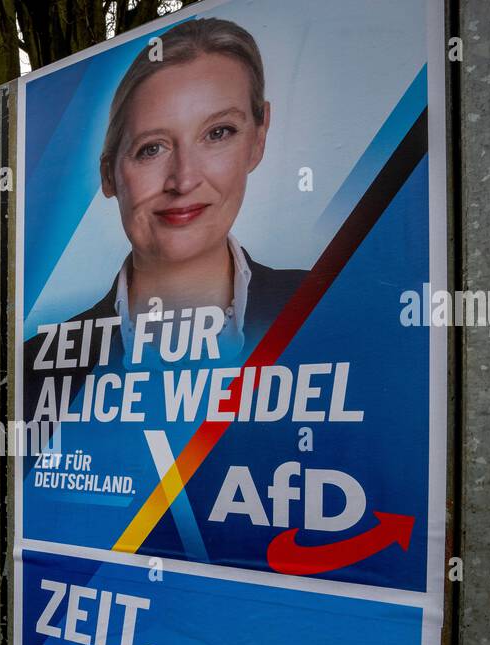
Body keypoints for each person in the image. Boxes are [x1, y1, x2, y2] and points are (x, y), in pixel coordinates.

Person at [24, 17, 305, 421]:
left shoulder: (330, 311)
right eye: (151, 148)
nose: (184, 179)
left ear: (258, 140)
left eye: (218, 133)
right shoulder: (38, 369)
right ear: (109, 175)